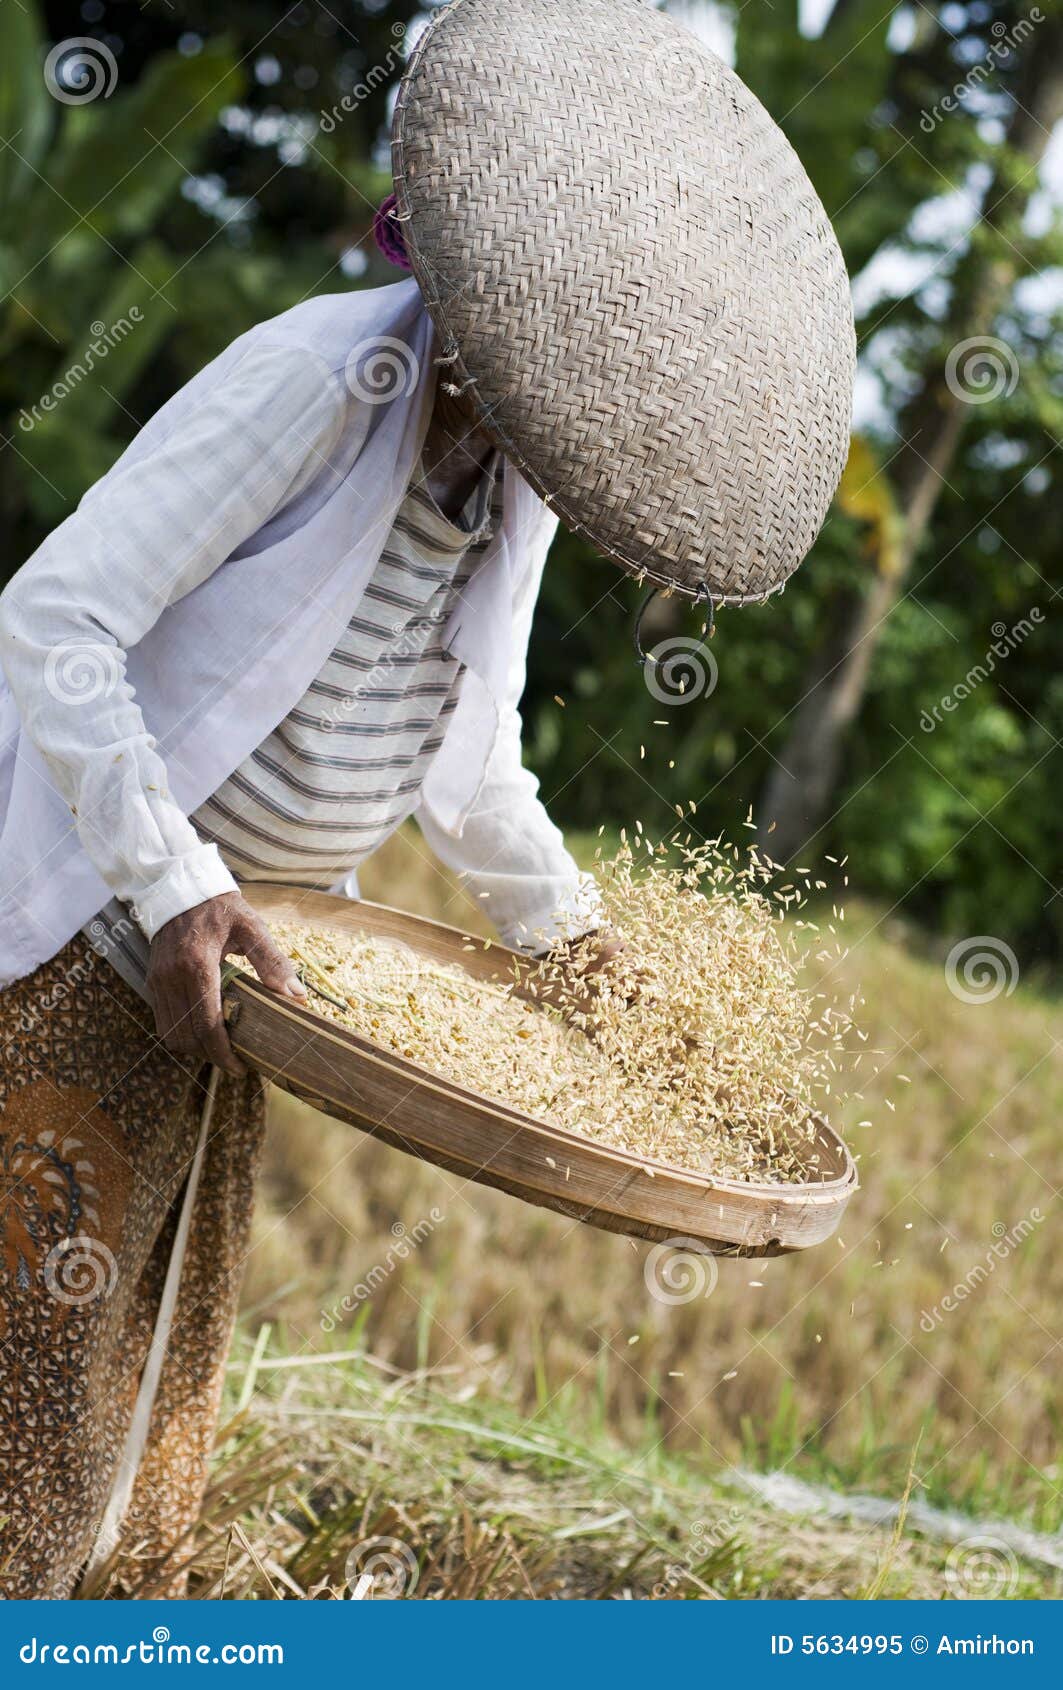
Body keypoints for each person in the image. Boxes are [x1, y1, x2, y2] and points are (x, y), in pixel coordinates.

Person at [0, 0, 853, 1598]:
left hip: (244, 989)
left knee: (135, 1424)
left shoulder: (507, 481)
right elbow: (53, 618)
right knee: (29, 1414)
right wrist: (179, 881)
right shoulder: (319, 382)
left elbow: (469, 757)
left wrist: (576, 940)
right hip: (83, 945)